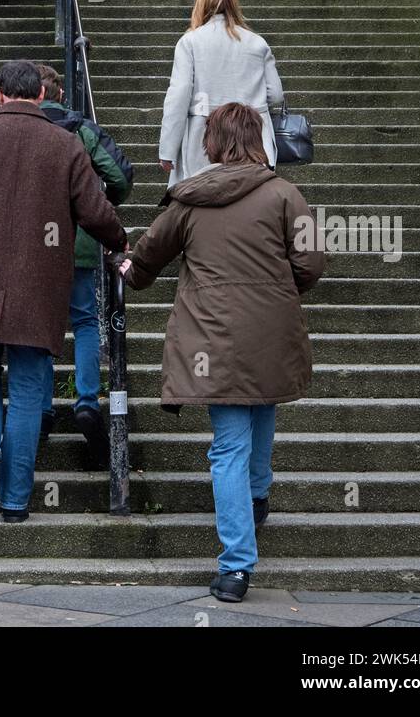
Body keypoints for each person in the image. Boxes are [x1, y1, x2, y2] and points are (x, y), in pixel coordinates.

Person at [119, 102, 323, 603]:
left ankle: (236, 567)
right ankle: (255, 498)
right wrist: (277, 291)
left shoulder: (188, 201)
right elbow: (312, 261)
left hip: (212, 335)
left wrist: (132, 273)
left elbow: (148, 254)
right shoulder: (284, 194)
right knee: (262, 410)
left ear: (211, 143)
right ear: (258, 140)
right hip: (272, 330)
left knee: (228, 443)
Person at [0, 59, 129, 521]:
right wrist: (121, 243)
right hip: (40, 284)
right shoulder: (65, 145)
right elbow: (95, 211)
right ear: (40, 96)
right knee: (30, 387)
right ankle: (15, 501)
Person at [36, 64, 133, 462]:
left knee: (38, 328)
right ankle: (87, 400)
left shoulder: (19, 131)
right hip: (79, 242)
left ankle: (40, 410)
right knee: (86, 322)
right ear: (60, 95)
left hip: (33, 246)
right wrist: (104, 205)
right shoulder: (82, 129)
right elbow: (121, 175)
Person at [159, 0, 284, 186]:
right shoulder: (257, 43)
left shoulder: (190, 42)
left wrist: (167, 150)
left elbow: (179, 96)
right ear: (233, 4)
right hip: (252, 137)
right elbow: (276, 94)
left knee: (203, 196)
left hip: (204, 138)